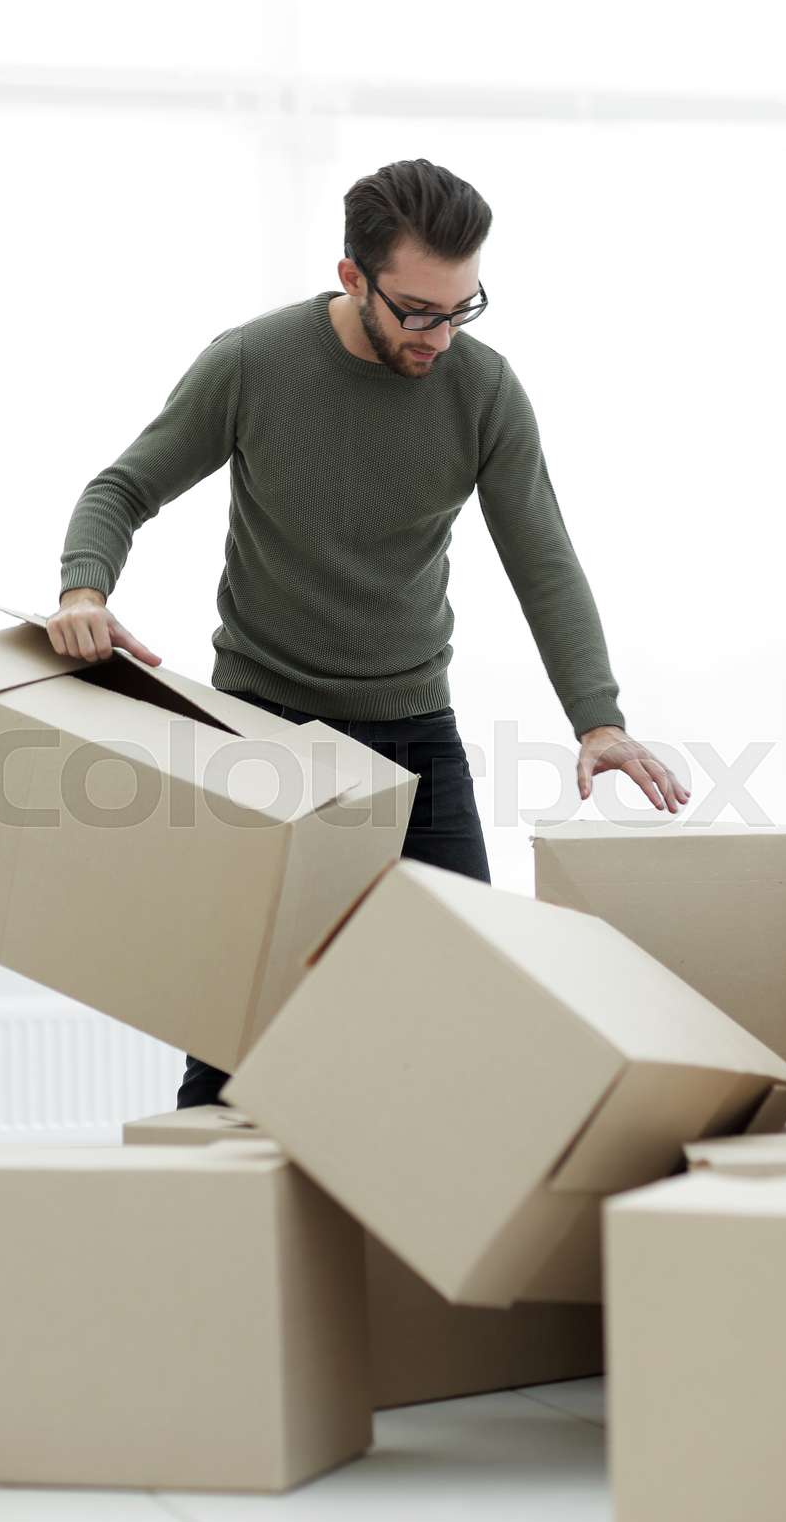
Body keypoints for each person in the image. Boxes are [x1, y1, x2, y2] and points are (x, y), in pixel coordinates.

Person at [46, 156, 689, 1108]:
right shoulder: (254, 363)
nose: (441, 336)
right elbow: (121, 489)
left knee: (470, 1008)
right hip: (266, 732)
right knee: (236, 1039)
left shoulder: (484, 391)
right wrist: (83, 590)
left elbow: (543, 560)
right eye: (418, 312)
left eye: (463, 309)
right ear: (353, 278)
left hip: (415, 732)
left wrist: (599, 718)